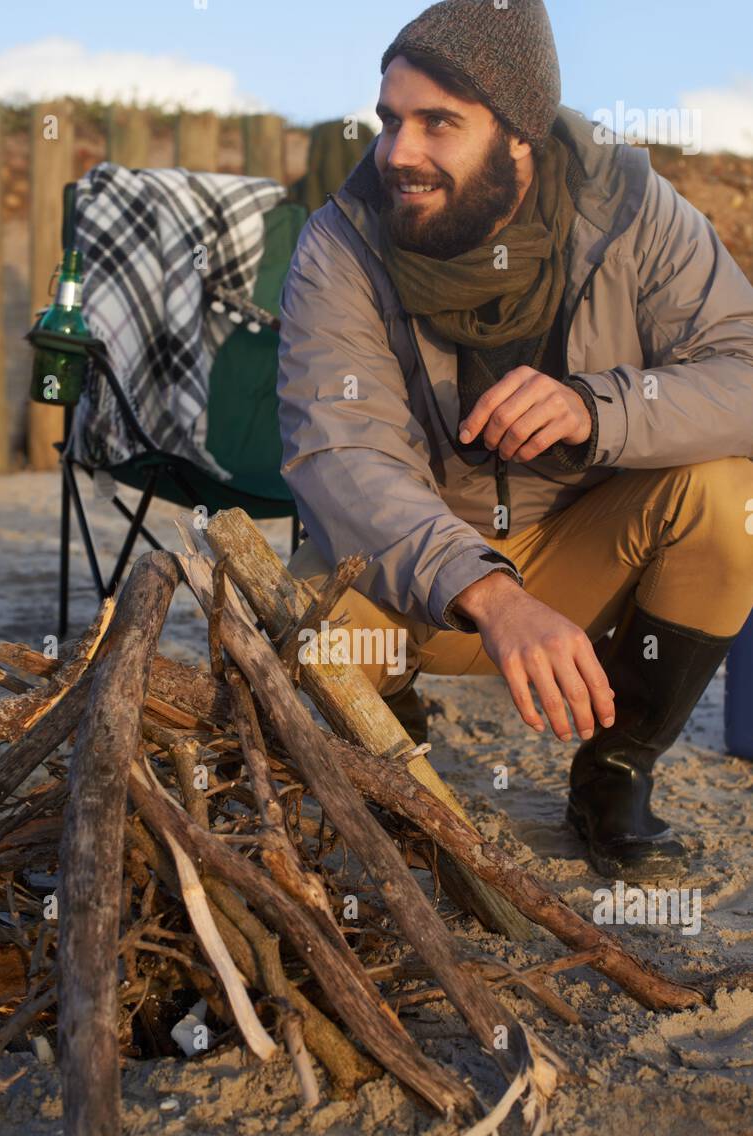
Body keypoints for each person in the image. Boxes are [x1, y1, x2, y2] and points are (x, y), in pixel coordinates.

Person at [276, 0, 753, 881]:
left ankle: (614, 770)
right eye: (391, 121)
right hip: (420, 576)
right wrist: (488, 594)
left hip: (581, 560)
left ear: (522, 136)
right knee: (308, 629)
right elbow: (341, 456)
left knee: (734, 499)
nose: (397, 153)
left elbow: (742, 370)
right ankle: (392, 751)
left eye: (438, 124)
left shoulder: (637, 217)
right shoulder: (341, 244)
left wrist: (600, 408)